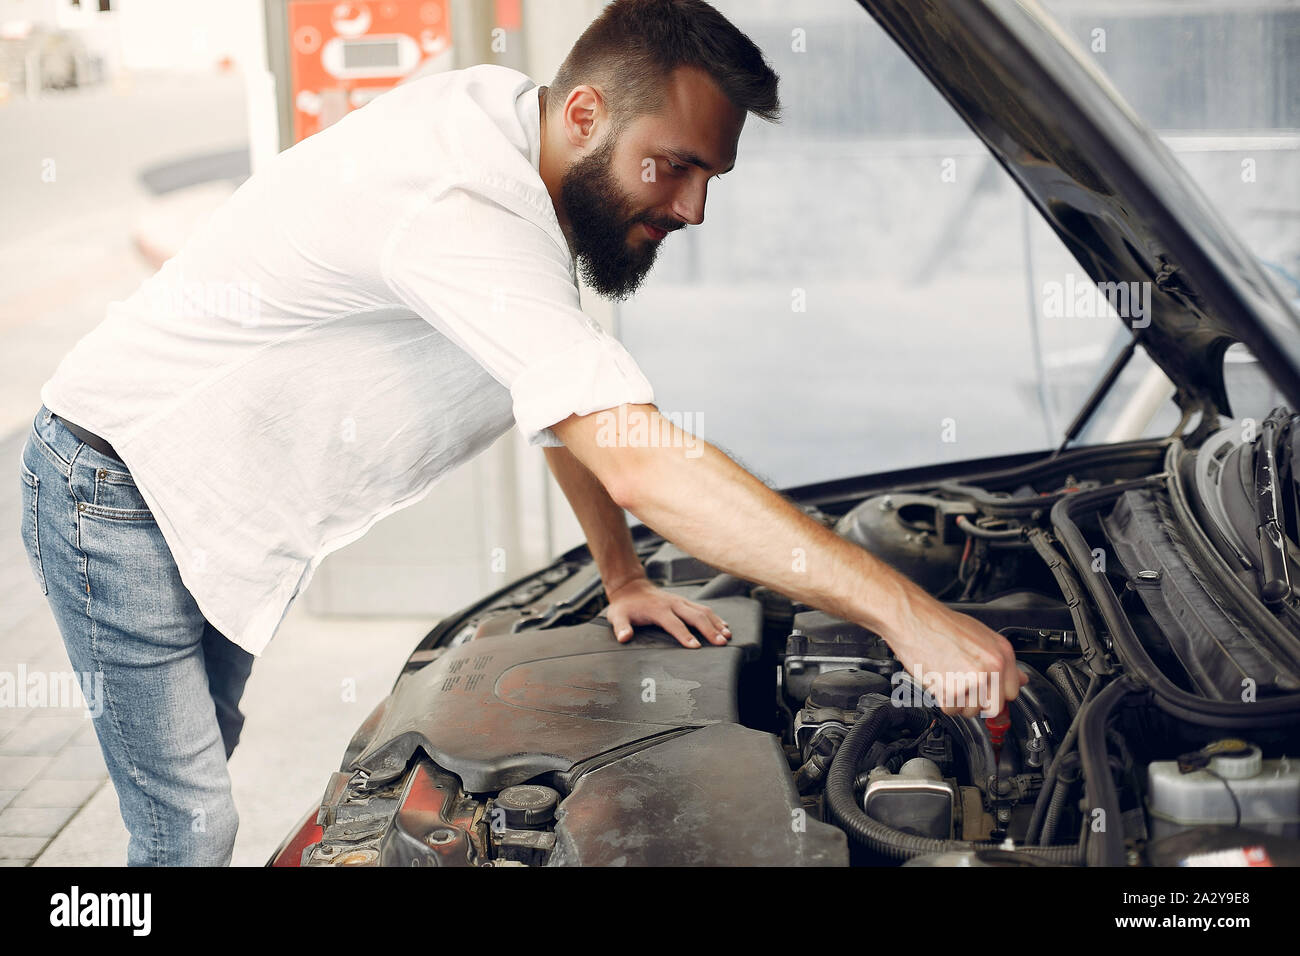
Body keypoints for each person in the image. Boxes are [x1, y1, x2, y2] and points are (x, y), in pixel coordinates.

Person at [16, 0, 1024, 867]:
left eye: (711, 176)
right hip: (121, 482)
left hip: (208, 504)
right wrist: (906, 615)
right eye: (672, 167)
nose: (693, 207)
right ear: (585, 112)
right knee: (189, 826)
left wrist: (623, 575)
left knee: (203, 759)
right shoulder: (464, 199)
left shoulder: (519, 139)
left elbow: (558, 406)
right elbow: (629, 453)